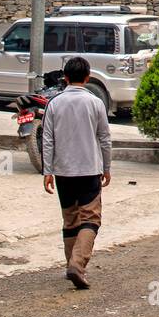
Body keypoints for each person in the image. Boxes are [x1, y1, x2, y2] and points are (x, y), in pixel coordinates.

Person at [42, 56, 112, 289]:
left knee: (70, 219)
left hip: (63, 171)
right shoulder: (95, 103)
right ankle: (78, 265)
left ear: (66, 78)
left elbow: (47, 140)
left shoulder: (54, 103)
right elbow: (104, 138)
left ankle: (71, 264)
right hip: (89, 169)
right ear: (88, 77)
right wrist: (107, 167)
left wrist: (48, 170)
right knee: (91, 219)